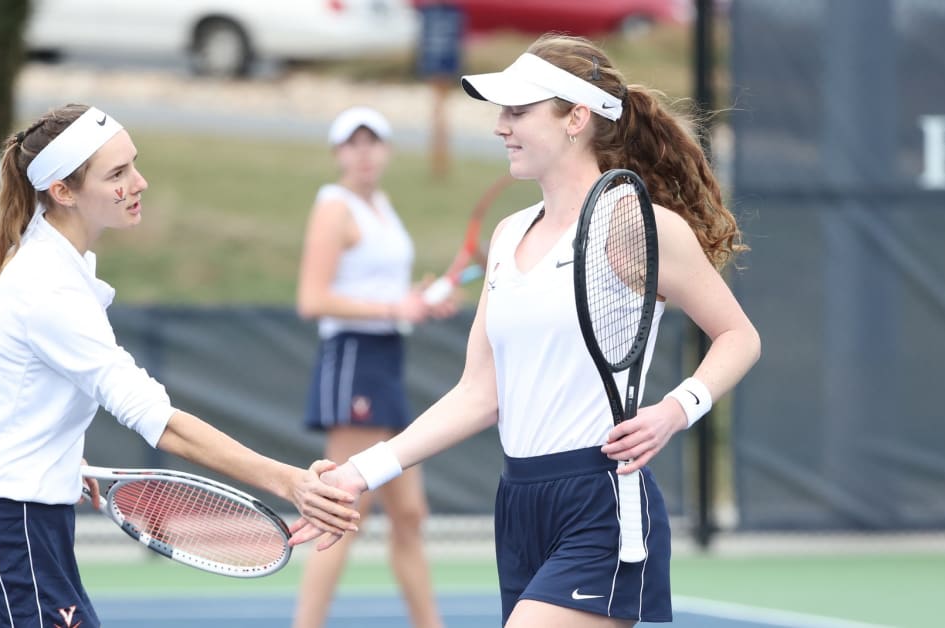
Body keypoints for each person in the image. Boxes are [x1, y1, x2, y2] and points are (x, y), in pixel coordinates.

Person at [292, 35, 762, 627]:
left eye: (518, 111)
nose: (499, 126)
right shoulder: (509, 234)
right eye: (501, 111)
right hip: (518, 503)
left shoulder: (637, 225)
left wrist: (677, 408)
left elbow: (738, 335)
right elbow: (478, 393)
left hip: (599, 498)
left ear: (577, 118)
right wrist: (360, 472)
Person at [0, 103, 360, 628]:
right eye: (118, 174)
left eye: (134, 165)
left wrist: (28, 443)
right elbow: (162, 423)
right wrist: (291, 483)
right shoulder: (50, 289)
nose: (139, 182)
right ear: (63, 191)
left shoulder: (24, 256)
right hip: (13, 533)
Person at [292, 106, 454, 628]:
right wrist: (393, 309)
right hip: (353, 360)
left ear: (384, 149)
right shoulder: (334, 206)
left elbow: (379, 289)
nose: (363, 153)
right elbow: (312, 299)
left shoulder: (381, 205)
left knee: (408, 514)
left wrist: (416, 301)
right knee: (340, 510)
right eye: (352, 143)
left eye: (372, 142)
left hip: (386, 358)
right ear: (339, 153)